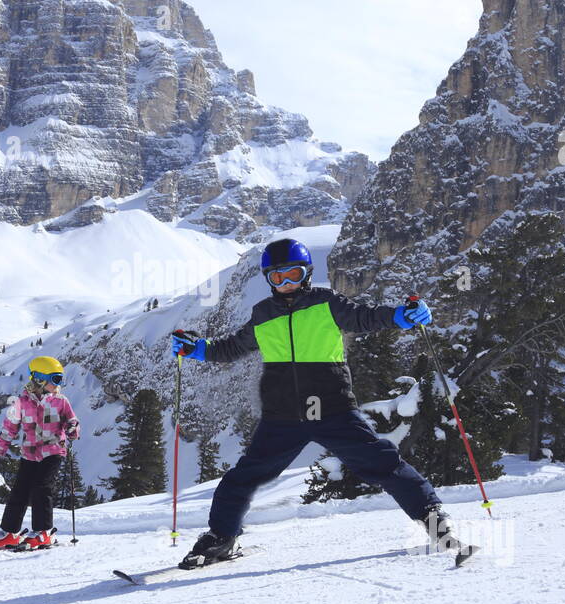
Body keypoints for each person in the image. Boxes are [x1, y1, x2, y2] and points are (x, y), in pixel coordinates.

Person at [169, 237, 468, 568]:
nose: (285, 284)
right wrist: (196, 348)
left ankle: (435, 520)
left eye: (292, 275)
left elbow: (364, 318)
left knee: (383, 463)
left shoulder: (326, 303)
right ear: (268, 279)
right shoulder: (262, 314)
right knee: (242, 478)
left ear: (307, 274)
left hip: (332, 407)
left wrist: (402, 316)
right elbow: (231, 348)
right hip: (282, 415)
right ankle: (222, 537)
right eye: (277, 278)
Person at [0, 355, 80, 551]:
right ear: (40, 379)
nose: (59, 385)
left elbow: (72, 421)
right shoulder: (20, 403)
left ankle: (43, 532)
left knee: (42, 487)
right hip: (30, 454)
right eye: (56, 379)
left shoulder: (60, 401)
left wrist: (72, 429)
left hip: (54, 451)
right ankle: (9, 533)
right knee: (20, 491)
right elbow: (9, 430)